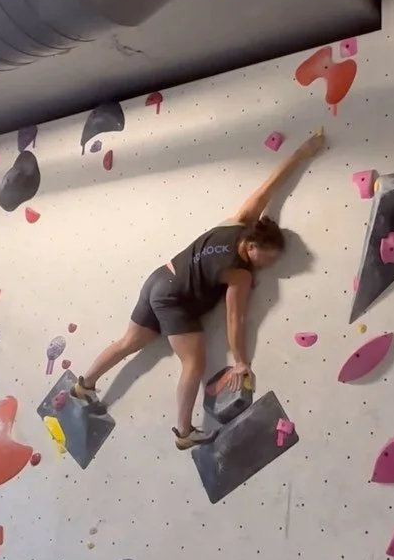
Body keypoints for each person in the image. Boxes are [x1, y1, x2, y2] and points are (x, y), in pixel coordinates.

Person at [72, 131, 326, 449]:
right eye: (267, 259)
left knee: (128, 342)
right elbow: (237, 319)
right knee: (193, 364)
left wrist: (301, 153)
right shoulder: (240, 273)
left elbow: (268, 189)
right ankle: (183, 432)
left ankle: (85, 384)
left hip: (159, 280)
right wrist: (242, 361)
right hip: (176, 299)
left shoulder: (235, 223)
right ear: (253, 245)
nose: (267, 266)